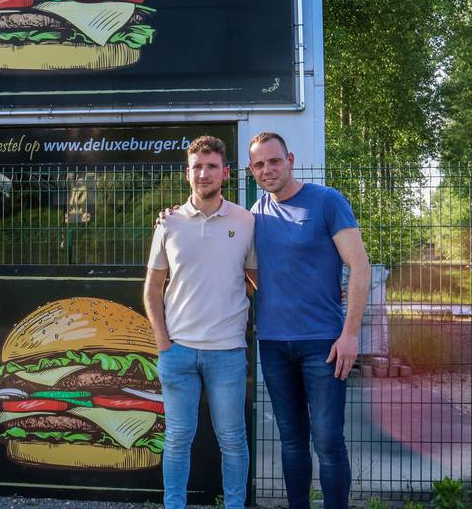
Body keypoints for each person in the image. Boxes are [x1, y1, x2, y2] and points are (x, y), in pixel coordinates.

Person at [247, 131, 369, 509]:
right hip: (273, 344)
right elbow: (252, 272)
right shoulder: (254, 215)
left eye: (274, 161)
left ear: (291, 160)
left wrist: (349, 335)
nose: (268, 169)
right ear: (252, 170)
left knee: (329, 441)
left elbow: (360, 267)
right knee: (291, 440)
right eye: (259, 164)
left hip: (324, 345)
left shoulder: (327, 201)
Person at [144, 135, 257, 509]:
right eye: (197, 167)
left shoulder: (245, 221)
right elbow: (152, 290)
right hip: (178, 353)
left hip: (226, 353)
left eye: (211, 166)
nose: (204, 173)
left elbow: (254, 280)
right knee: (177, 439)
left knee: (233, 440)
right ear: (187, 173)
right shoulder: (169, 223)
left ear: (224, 172)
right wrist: (164, 345)